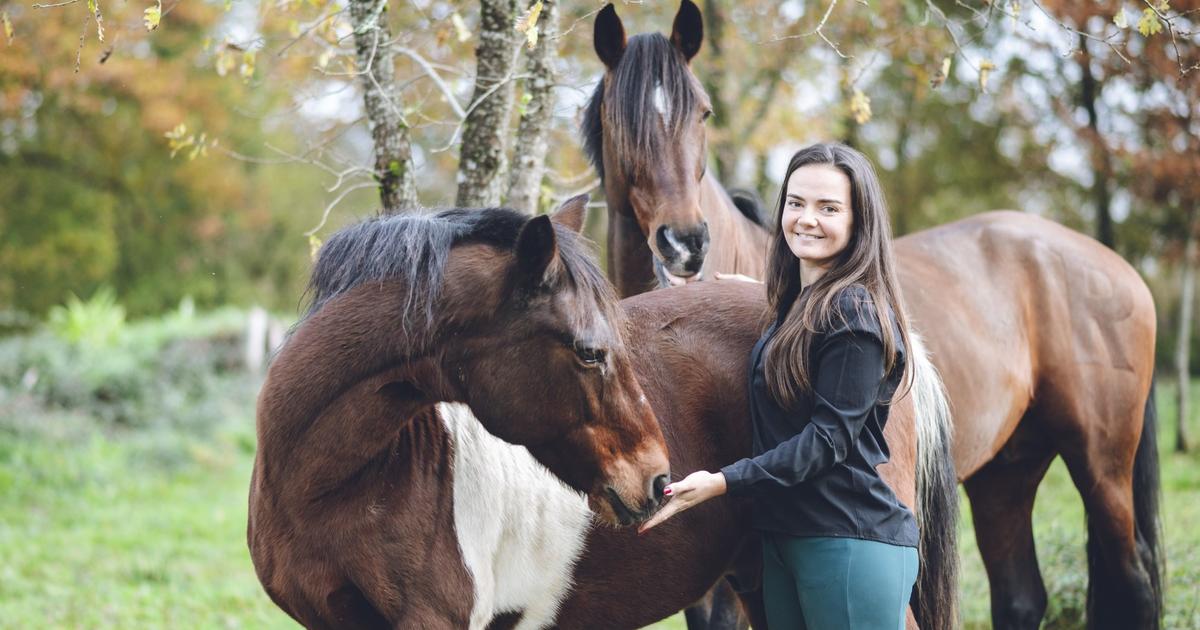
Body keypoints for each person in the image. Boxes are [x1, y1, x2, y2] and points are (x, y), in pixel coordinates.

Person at [638, 143, 919, 629]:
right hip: (788, 541)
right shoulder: (798, 306)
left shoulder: (854, 315)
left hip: (847, 541)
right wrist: (746, 294)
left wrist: (722, 481)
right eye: (796, 203)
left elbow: (826, 442)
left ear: (859, 221)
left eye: (829, 208)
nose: (806, 219)